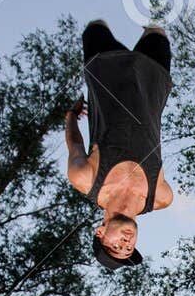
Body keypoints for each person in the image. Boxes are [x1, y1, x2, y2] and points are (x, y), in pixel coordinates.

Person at [66, 19, 175, 270]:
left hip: (106, 67)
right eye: (128, 249)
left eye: (115, 246)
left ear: (100, 233)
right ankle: (149, 25)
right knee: (158, 30)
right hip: (152, 79)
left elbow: (74, 144)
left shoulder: (85, 179)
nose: (126, 244)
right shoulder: (160, 197)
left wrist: (70, 117)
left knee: (95, 26)